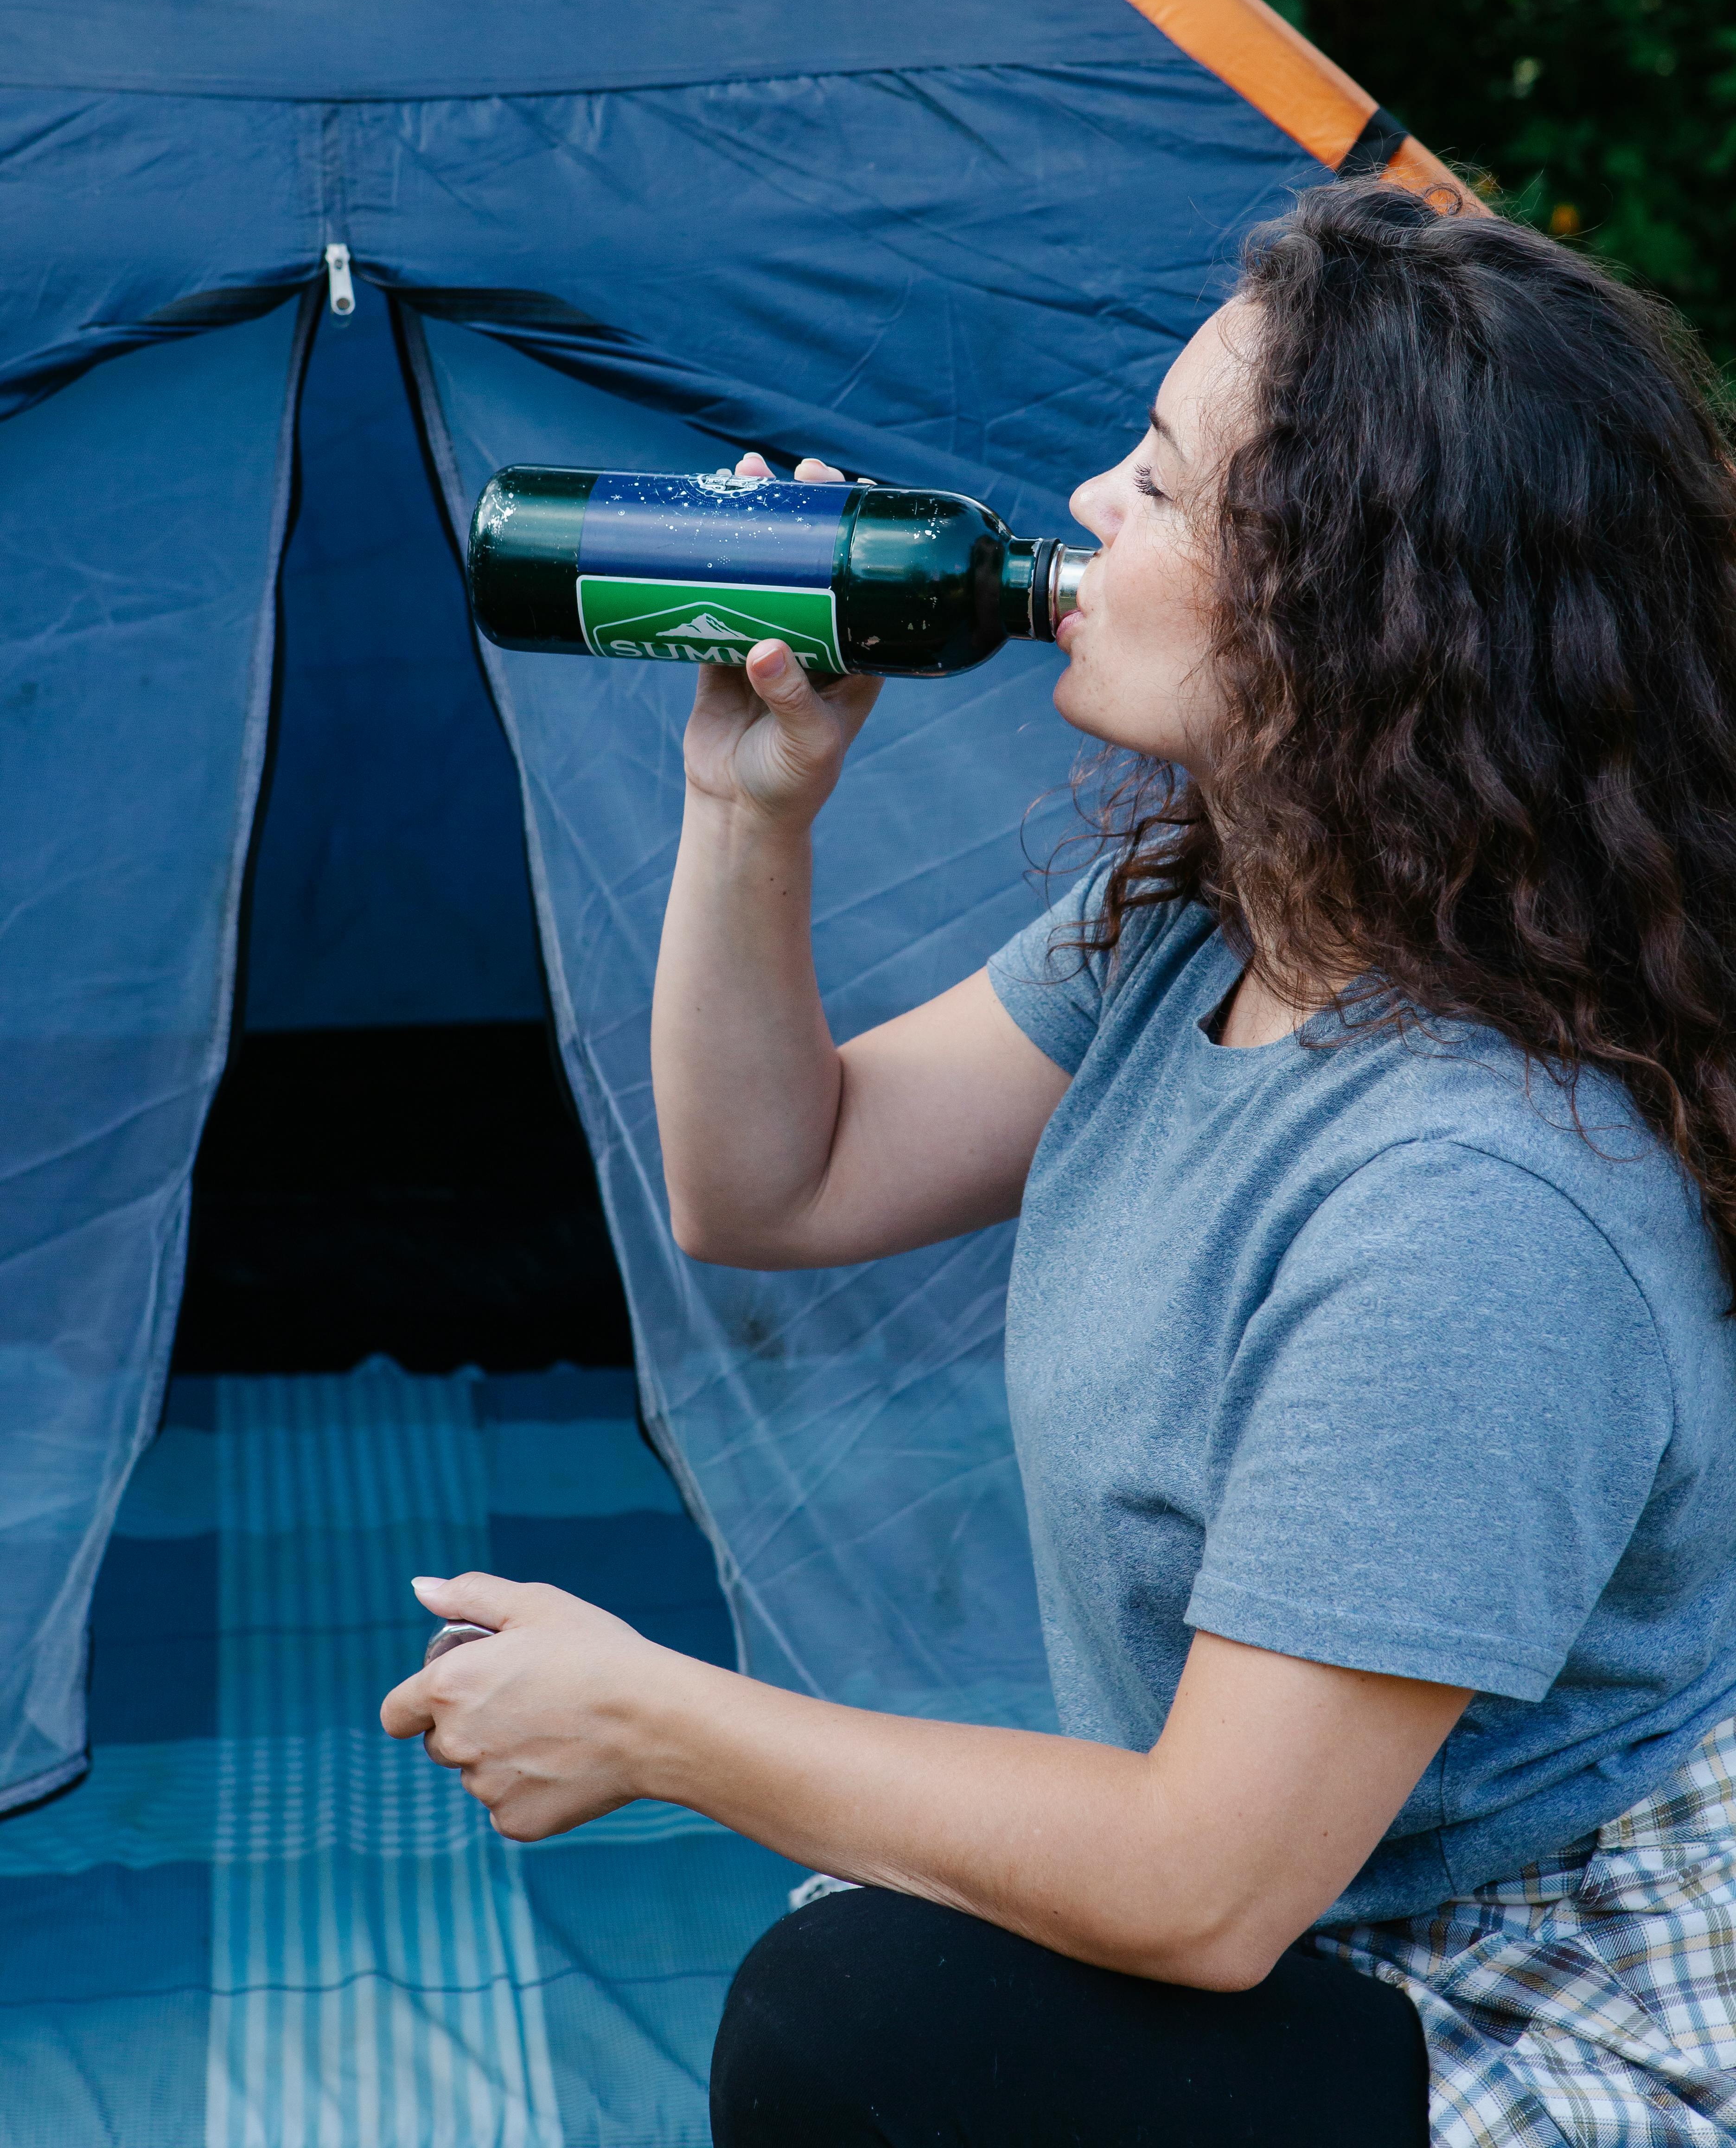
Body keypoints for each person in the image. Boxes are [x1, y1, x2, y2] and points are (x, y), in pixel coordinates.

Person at [383, 182, 1736, 2147]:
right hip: (1311, 1911)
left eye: (1173, 492)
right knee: (887, 1959)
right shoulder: (1212, 915)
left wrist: (660, 1722)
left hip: (1536, 1992)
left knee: (863, 2020)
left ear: (1374, 615)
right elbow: (775, 1185)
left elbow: (1200, 1886)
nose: (1092, 502)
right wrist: (746, 803)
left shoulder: (1478, 1202)